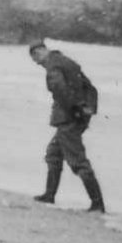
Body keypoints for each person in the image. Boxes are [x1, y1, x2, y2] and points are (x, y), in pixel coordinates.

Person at [29, 40, 106, 212]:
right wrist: (87, 110)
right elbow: (90, 88)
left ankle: (97, 203)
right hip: (77, 116)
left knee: (78, 161)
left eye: (36, 58)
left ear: (40, 52)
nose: (37, 63)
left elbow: (60, 90)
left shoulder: (53, 65)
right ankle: (49, 195)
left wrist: (76, 109)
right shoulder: (67, 61)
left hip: (67, 118)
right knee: (53, 154)